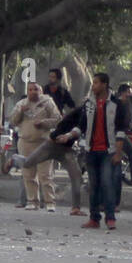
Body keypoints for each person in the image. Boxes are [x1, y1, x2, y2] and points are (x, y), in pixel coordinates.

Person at [52, 72, 122, 229]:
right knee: (93, 185)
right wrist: (69, 135)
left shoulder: (116, 104)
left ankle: (110, 217)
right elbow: (81, 126)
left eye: (96, 83)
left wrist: (118, 152)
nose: (93, 86)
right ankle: (94, 218)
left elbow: (121, 130)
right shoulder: (89, 104)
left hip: (108, 151)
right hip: (91, 150)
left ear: (104, 85)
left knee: (107, 183)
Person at [22, 106, 85, 215]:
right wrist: (68, 135)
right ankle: (13, 160)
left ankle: (76, 208)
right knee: (27, 163)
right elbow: (78, 128)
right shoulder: (84, 111)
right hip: (52, 144)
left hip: (67, 149)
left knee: (76, 176)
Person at [10, 81, 62, 211]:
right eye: (30, 90)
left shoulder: (48, 103)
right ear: (27, 92)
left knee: (45, 175)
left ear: (41, 91)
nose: (33, 92)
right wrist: (21, 112)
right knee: (28, 174)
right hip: (25, 142)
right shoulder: (21, 104)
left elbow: (58, 119)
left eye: (36, 89)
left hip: (43, 143)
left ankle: (50, 202)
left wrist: (44, 123)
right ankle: (32, 201)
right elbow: (13, 121)